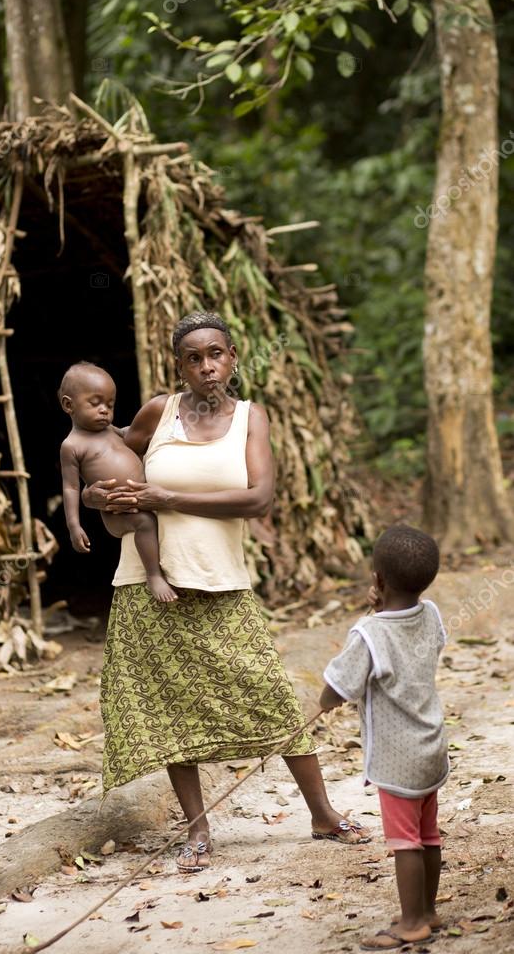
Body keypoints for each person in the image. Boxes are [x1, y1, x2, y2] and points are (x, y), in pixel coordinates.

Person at [82, 310, 370, 873]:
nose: (207, 366)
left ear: (233, 357)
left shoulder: (249, 418)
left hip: (220, 582)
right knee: (170, 709)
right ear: (180, 366)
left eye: (216, 353)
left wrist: (165, 497)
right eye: (194, 358)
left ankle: (323, 815)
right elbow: (100, 453)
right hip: (148, 581)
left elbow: (258, 499)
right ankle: (197, 831)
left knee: (274, 696)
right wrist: (94, 496)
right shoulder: (157, 413)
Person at [320, 524, 448, 951]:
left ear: (376, 580)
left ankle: (411, 922)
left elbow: (340, 686)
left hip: (397, 760)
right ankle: (428, 910)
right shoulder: (431, 614)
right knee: (428, 836)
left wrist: (322, 703)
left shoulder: (369, 633)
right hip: (431, 747)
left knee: (404, 843)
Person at [59, 361, 177, 603]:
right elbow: (70, 487)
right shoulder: (72, 446)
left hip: (143, 498)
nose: (104, 410)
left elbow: (133, 433)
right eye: (95, 403)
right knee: (145, 522)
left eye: (109, 405)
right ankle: (153, 575)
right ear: (68, 405)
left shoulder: (111, 430)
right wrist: (74, 525)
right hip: (117, 513)